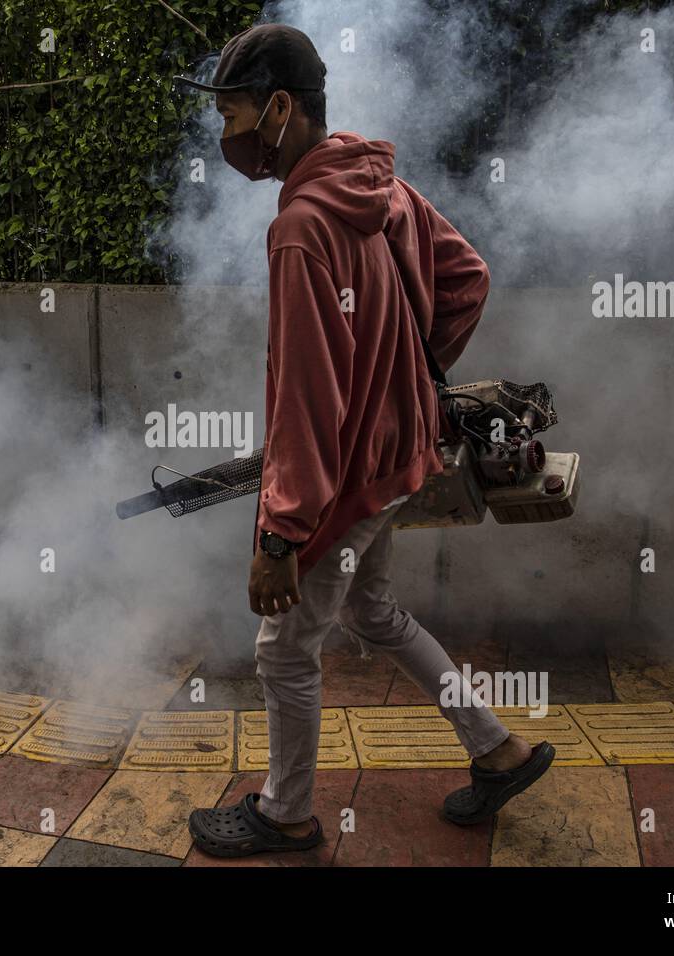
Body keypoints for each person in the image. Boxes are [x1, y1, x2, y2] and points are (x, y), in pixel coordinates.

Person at [175, 24, 554, 858]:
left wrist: (281, 533)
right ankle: (498, 748)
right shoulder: (381, 185)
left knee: (283, 647)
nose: (226, 139)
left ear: (278, 109)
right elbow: (467, 279)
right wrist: (405, 383)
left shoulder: (302, 229)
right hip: (400, 454)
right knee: (373, 610)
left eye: (233, 116)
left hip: (349, 475)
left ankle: (286, 814)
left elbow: (307, 403)